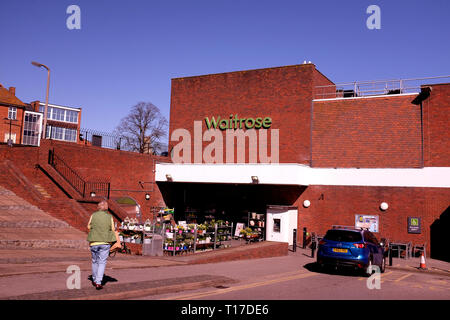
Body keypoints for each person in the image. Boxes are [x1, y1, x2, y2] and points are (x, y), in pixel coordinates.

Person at [87, 200, 117, 290]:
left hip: (94, 242)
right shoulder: (109, 217)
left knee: (94, 261)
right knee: (102, 262)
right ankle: (98, 282)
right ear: (106, 207)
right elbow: (112, 228)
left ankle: (94, 279)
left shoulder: (93, 215)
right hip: (105, 242)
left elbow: (88, 226)